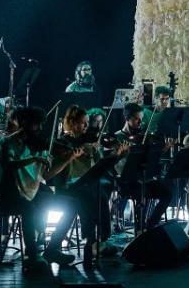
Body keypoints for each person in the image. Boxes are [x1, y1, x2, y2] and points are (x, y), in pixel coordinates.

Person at [0, 106, 82, 269]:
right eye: (37, 124)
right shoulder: (9, 142)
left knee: (72, 204)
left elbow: (47, 175)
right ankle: (32, 254)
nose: (40, 129)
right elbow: (8, 165)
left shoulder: (37, 145)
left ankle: (52, 249)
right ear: (24, 123)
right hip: (11, 194)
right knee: (29, 208)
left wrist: (67, 158)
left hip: (33, 191)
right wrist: (32, 159)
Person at [52, 105, 129, 264]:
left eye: (87, 123)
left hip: (84, 185)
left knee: (98, 192)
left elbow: (99, 166)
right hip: (66, 187)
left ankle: (98, 240)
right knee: (89, 196)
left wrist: (116, 155)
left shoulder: (89, 142)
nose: (86, 126)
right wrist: (72, 154)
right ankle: (93, 241)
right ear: (71, 123)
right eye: (82, 123)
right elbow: (56, 171)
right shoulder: (61, 143)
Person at [114, 103, 178, 229]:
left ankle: (150, 225)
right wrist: (120, 154)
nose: (140, 122)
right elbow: (114, 162)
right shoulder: (118, 137)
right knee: (140, 196)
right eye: (137, 119)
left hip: (144, 178)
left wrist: (162, 149)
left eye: (141, 119)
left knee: (168, 193)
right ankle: (139, 227)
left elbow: (149, 158)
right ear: (127, 119)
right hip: (127, 180)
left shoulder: (142, 137)